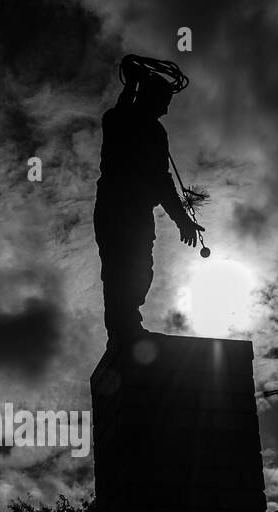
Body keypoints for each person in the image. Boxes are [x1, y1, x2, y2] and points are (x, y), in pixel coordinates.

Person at [93, 64, 204, 341]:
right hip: (115, 209)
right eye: (163, 102)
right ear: (148, 98)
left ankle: (128, 324)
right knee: (120, 269)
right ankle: (123, 331)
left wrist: (183, 220)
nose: (165, 110)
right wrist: (131, 86)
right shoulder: (118, 119)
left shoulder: (157, 133)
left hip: (140, 212)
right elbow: (121, 117)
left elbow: (163, 181)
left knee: (142, 270)